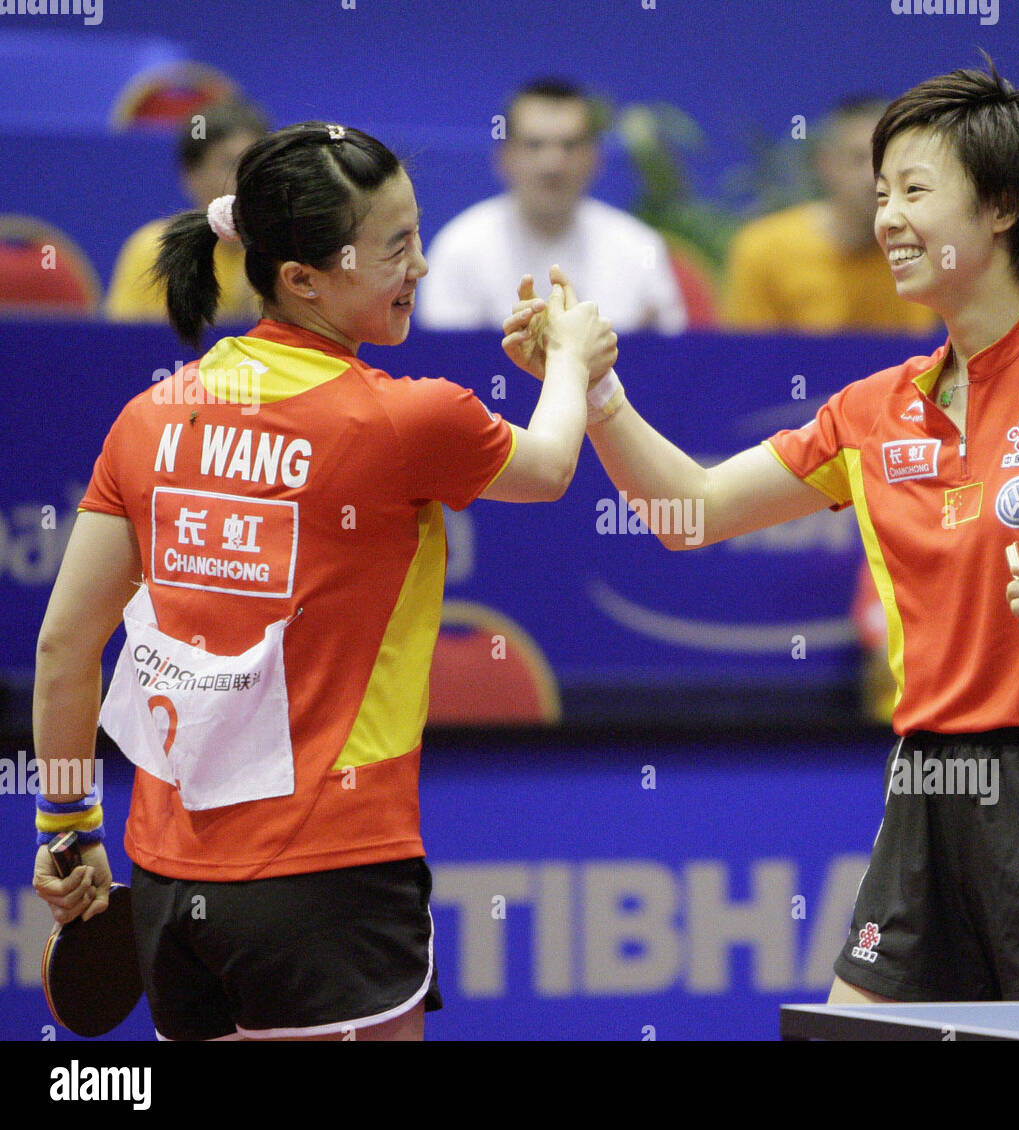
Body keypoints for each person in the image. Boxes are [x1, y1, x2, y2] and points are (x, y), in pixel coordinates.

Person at [504, 62, 1019, 1003]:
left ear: (1002, 208)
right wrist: (594, 390)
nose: (886, 213)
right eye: (882, 187)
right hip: (925, 777)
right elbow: (687, 511)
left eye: (915, 190)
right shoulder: (874, 408)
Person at [31, 121, 615, 1041]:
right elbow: (547, 468)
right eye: (394, 248)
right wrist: (573, 360)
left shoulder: (148, 418)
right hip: (330, 881)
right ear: (301, 279)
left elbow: (64, 647)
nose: (419, 266)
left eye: (417, 235)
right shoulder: (407, 418)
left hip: (169, 888)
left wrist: (67, 828)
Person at [416, 78, 686, 333]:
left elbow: (670, 360)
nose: (553, 164)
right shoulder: (460, 249)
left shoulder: (639, 248)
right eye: (534, 145)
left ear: (595, 158)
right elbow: (447, 361)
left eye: (569, 145)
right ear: (504, 156)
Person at [721, 95, 939, 334]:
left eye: (890, 160)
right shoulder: (764, 249)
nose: (875, 176)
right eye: (858, 159)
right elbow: (749, 359)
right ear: (826, 165)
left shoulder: (926, 252)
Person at [104, 97, 269, 324]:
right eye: (228, 164)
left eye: (254, 163)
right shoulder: (155, 250)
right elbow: (128, 344)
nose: (244, 178)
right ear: (192, 176)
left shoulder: (291, 252)